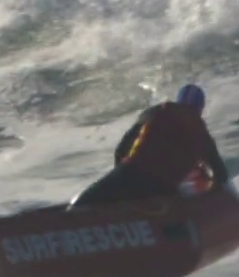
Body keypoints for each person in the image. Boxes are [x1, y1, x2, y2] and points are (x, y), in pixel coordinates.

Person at [70, 84, 229, 207]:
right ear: (200, 109)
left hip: (130, 174)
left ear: (178, 101)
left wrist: (120, 172)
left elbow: (122, 148)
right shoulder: (202, 136)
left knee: (83, 204)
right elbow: (221, 175)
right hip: (160, 190)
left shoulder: (155, 113)